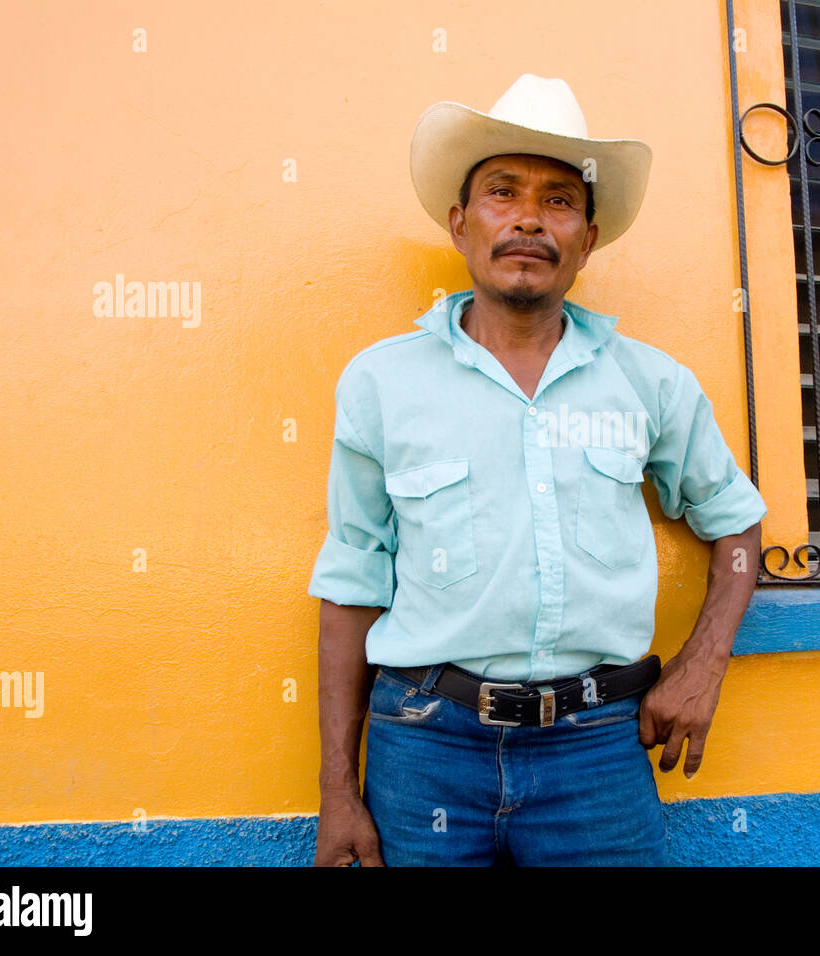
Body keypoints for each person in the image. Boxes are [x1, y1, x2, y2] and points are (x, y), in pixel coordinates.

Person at [309, 73, 767, 866]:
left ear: (587, 239)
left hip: (596, 754)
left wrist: (702, 666)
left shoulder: (651, 384)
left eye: (559, 199)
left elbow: (734, 521)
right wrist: (337, 792)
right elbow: (351, 583)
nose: (528, 217)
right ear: (460, 224)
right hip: (424, 750)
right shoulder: (380, 383)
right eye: (502, 192)